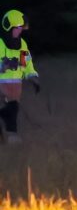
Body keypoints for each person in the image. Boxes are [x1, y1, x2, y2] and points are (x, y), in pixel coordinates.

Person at [0, 9, 41, 142]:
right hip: (1, 83)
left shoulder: (22, 44)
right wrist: (4, 66)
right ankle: (12, 136)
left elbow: (26, 64)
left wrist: (33, 77)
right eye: (17, 28)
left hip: (16, 85)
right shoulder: (0, 43)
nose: (20, 31)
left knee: (12, 108)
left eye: (21, 28)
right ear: (9, 27)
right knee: (11, 108)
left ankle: (9, 136)